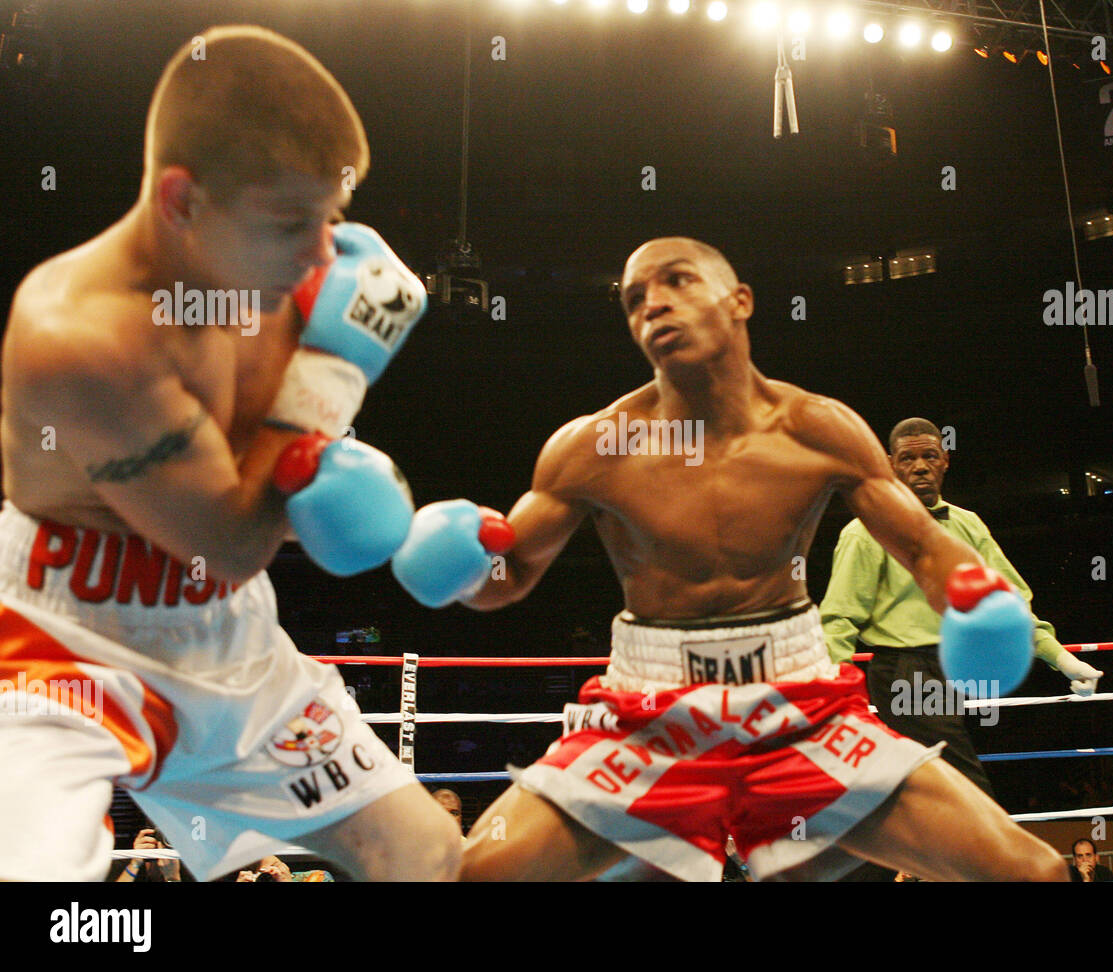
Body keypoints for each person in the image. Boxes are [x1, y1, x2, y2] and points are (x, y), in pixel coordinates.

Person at [397, 236, 1068, 882]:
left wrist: (971, 590)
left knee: (1032, 871)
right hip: (647, 715)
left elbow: (922, 545)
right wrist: (462, 557)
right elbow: (504, 584)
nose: (653, 303)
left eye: (678, 280)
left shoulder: (817, 428)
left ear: (741, 300)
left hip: (801, 707)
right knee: (464, 874)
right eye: (634, 298)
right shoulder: (594, 446)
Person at [0, 26, 460, 881]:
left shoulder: (277, 277)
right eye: (292, 221)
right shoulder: (82, 337)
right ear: (181, 201)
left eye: (334, 217)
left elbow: (261, 510)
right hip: (58, 640)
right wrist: (337, 366)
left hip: (226, 634)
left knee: (424, 852)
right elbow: (232, 540)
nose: (323, 252)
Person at [821, 417, 1102, 798]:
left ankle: (892, 856)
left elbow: (1010, 603)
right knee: (967, 791)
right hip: (906, 672)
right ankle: (993, 855)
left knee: (922, 795)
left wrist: (1060, 658)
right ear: (890, 464)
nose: (920, 466)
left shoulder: (968, 525)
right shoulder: (866, 530)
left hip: (961, 668)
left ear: (945, 461)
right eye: (908, 458)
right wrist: (841, 695)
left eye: (929, 456)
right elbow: (839, 618)